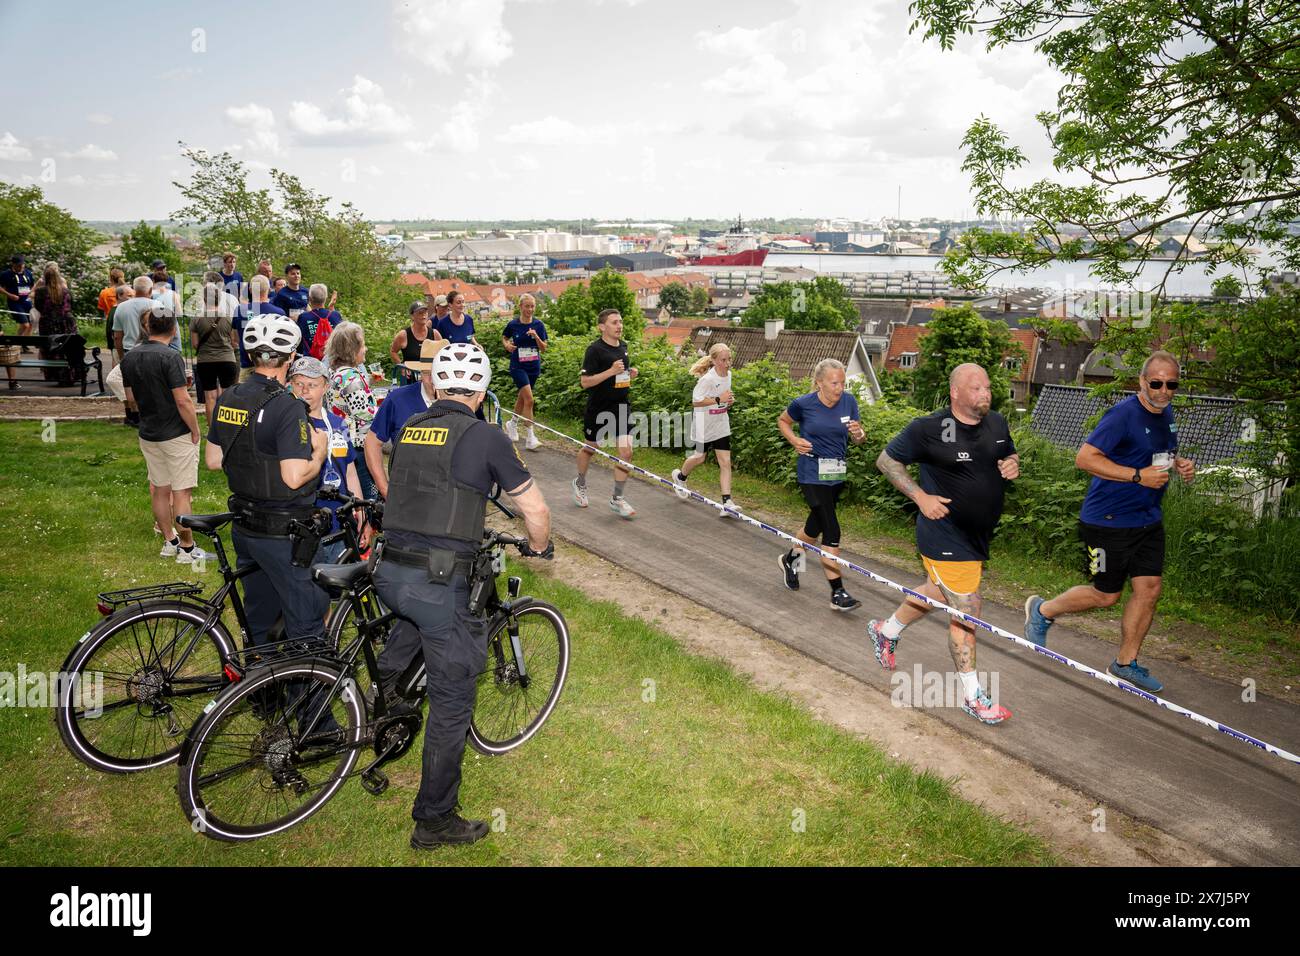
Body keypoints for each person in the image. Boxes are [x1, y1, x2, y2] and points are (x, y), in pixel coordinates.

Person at [370, 341, 553, 848]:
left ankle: (381, 712)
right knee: (452, 701)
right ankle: (434, 819)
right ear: (481, 388)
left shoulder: (412, 427)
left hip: (390, 571)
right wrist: (539, 547)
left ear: (437, 384)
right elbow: (533, 511)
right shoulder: (486, 435)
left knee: (403, 643)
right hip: (438, 581)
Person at [1023, 350, 1195, 693]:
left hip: (1148, 519)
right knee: (1106, 595)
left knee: (1149, 590)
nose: (1164, 390)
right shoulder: (1122, 415)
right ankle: (1042, 611)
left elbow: (1159, 453)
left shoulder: (1167, 413)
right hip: (1107, 520)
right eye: (1157, 382)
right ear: (1143, 381)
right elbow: (1084, 458)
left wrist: (1180, 464)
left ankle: (1125, 663)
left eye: (1171, 384)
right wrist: (1136, 477)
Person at [870, 363, 1018, 725]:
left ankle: (885, 630)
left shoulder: (997, 423)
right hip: (944, 534)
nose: (985, 394)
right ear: (955, 393)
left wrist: (1012, 464)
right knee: (967, 606)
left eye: (987, 388)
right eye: (976, 388)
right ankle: (972, 695)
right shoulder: (930, 429)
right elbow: (886, 461)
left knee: (938, 591)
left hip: (978, 537)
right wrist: (920, 496)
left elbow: (1007, 454)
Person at [204, 313, 331, 651]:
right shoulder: (288, 405)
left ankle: (262, 693)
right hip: (283, 530)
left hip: (245, 524)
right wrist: (319, 453)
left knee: (259, 616)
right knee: (305, 622)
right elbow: (292, 477)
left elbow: (213, 460)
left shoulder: (230, 395)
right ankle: (309, 700)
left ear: (250, 356)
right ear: (290, 358)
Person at [120, 302, 209, 565]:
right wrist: (195, 429)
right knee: (181, 493)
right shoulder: (170, 357)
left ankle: (169, 541)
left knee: (160, 489)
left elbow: (130, 399)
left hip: (148, 432)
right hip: (175, 432)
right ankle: (187, 548)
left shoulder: (130, 357)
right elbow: (183, 401)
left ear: (147, 327)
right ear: (172, 328)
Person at [777, 358, 865, 611]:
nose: (840, 388)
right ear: (819, 383)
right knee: (831, 529)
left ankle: (789, 561)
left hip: (835, 473)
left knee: (813, 527)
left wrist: (859, 435)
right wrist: (794, 440)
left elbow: (858, 437)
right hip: (811, 472)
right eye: (834, 383)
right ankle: (838, 593)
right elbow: (783, 421)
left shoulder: (849, 401)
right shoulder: (804, 404)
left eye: (843, 383)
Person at [289, 356, 366, 563]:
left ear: (325, 386)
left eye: (312, 385)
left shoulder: (339, 423)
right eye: (299, 384)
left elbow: (349, 471)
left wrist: (360, 509)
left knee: (340, 585)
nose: (305, 391)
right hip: (306, 522)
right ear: (291, 386)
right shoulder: (288, 425)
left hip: (338, 519)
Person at [574, 308, 637, 518]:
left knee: (626, 453)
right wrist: (611, 371)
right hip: (598, 408)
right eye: (614, 322)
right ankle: (580, 483)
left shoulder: (624, 347)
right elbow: (585, 382)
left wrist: (630, 374)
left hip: (620, 406)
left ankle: (617, 498)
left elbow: (619, 379)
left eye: (620, 322)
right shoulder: (594, 350)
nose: (619, 326)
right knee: (590, 449)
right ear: (602, 326)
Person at [364, 338, 442, 499]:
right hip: (406, 494)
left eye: (440, 374)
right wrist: (384, 488)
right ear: (420, 373)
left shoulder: (461, 401)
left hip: (446, 494)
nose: (434, 380)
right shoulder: (398, 399)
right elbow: (372, 441)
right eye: (428, 373)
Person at [672, 343, 739, 517]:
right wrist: (719, 399)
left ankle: (727, 503)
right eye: (723, 360)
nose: (727, 363)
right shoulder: (707, 379)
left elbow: (724, 396)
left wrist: (727, 401)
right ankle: (680, 477)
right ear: (715, 360)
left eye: (729, 359)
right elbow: (696, 401)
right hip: (704, 424)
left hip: (721, 423)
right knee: (700, 457)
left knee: (725, 462)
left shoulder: (729, 375)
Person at [324, 321, 381, 499]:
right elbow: (363, 412)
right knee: (368, 493)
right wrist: (383, 410)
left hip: (343, 438)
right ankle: (367, 523)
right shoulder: (350, 376)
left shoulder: (335, 372)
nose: (366, 349)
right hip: (359, 445)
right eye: (362, 344)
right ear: (352, 348)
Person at [501, 293, 546, 450]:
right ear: (520, 307)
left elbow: (544, 348)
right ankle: (530, 438)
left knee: (523, 398)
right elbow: (504, 337)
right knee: (530, 400)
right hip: (518, 366)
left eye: (532, 306)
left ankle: (512, 424)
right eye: (527, 306)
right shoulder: (513, 324)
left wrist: (536, 337)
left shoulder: (539, 325)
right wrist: (506, 345)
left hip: (533, 367)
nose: (530, 309)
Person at [191, 278, 238, 423]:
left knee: (209, 397)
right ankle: (226, 426)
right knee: (227, 396)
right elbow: (234, 342)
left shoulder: (197, 319)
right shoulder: (229, 317)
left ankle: (212, 429)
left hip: (206, 360)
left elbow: (195, 344)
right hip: (227, 359)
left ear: (204, 299)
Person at [232, 274, 287, 378]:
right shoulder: (279, 313)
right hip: (272, 366)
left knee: (245, 394)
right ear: (269, 289)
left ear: (250, 290)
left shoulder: (240, 310)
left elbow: (235, 338)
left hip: (248, 364)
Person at [33, 263, 77, 385]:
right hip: (67, 323)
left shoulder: (41, 291)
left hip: (48, 324)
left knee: (51, 350)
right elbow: (71, 305)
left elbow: (38, 307)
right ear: (58, 277)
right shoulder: (66, 291)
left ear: (45, 278)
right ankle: (70, 375)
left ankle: (55, 376)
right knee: (67, 349)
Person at [390, 300, 440, 384]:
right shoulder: (403, 335)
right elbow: (393, 351)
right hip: (410, 379)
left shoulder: (434, 333)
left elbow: (443, 353)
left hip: (430, 378)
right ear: (412, 316)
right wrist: (402, 366)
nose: (423, 315)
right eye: (420, 313)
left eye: (425, 312)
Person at [295, 283, 340, 358]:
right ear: (326, 297)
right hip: (332, 359)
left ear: (310, 298)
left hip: (311, 360)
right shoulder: (335, 315)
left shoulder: (303, 317)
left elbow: (299, 340)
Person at [0, 253, 35, 337]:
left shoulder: (28, 273)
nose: (21, 267)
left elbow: (32, 285)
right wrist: (9, 295)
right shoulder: (6, 274)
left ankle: (25, 345)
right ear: (13, 264)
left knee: (31, 324)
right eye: (18, 265)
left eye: (22, 265)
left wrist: (32, 293)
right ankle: (16, 342)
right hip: (15, 303)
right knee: (25, 325)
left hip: (27, 302)